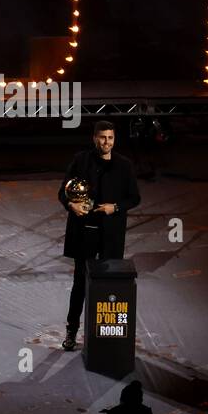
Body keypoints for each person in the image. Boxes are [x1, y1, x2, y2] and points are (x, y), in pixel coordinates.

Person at [58, 120, 140, 352]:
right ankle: (72, 332)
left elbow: (134, 198)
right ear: (94, 138)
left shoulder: (124, 165)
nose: (106, 142)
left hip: (110, 236)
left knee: (107, 286)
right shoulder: (81, 160)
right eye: (103, 138)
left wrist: (114, 207)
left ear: (115, 140)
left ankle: (102, 336)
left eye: (111, 138)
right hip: (84, 234)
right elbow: (62, 192)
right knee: (80, 285)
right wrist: (71, 205)